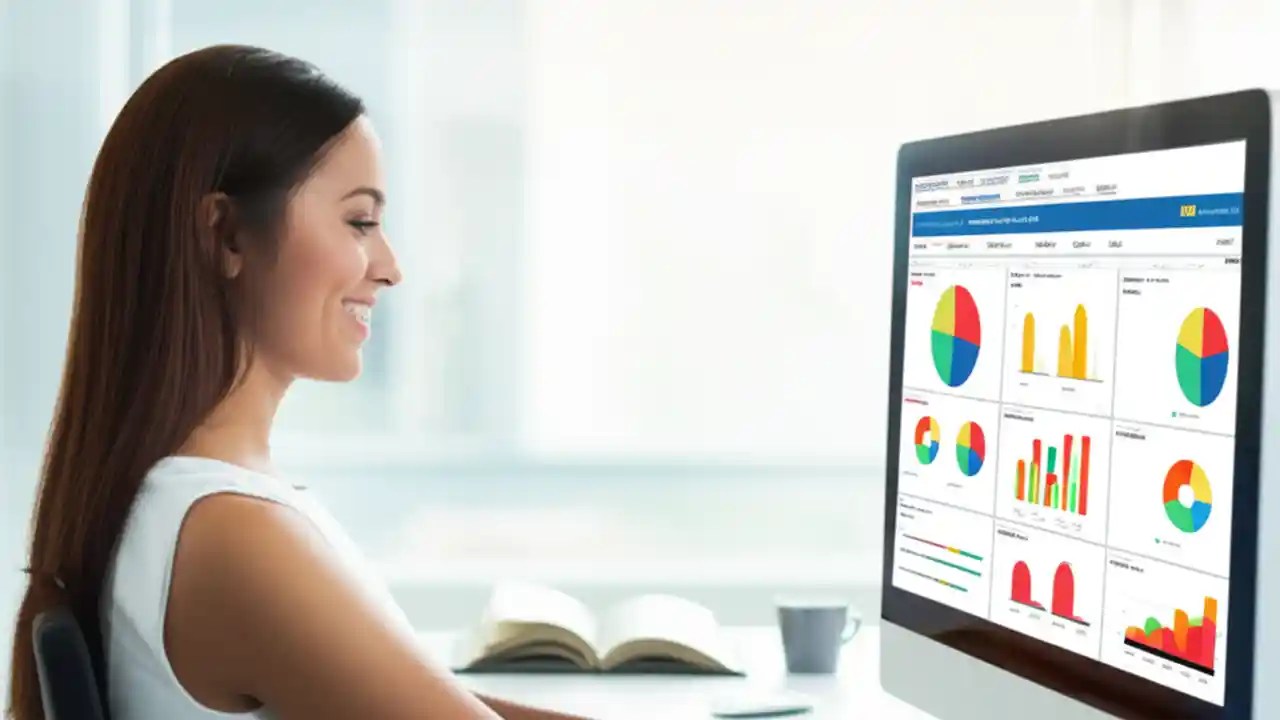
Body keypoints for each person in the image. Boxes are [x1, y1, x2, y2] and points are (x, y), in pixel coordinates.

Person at [7, 45, 587, 720]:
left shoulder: (196, 507)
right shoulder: (234, 535)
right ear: (227, 235)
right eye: (360, 222)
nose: (390, 267)